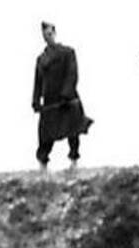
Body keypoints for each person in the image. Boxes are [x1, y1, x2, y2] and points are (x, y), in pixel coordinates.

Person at [32, 21, 93, 170]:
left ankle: (74, 161)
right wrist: (35, 100)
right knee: (45, 134)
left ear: (55, 33)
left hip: (67, 100)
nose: (48, 37)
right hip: (50, 101)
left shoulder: (67, 53)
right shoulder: (41, 59)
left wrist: (67, 93)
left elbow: (72, 73)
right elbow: (38, 82)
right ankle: (43, 163)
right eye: (45, 35)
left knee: (73, 130)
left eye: (50, 33)